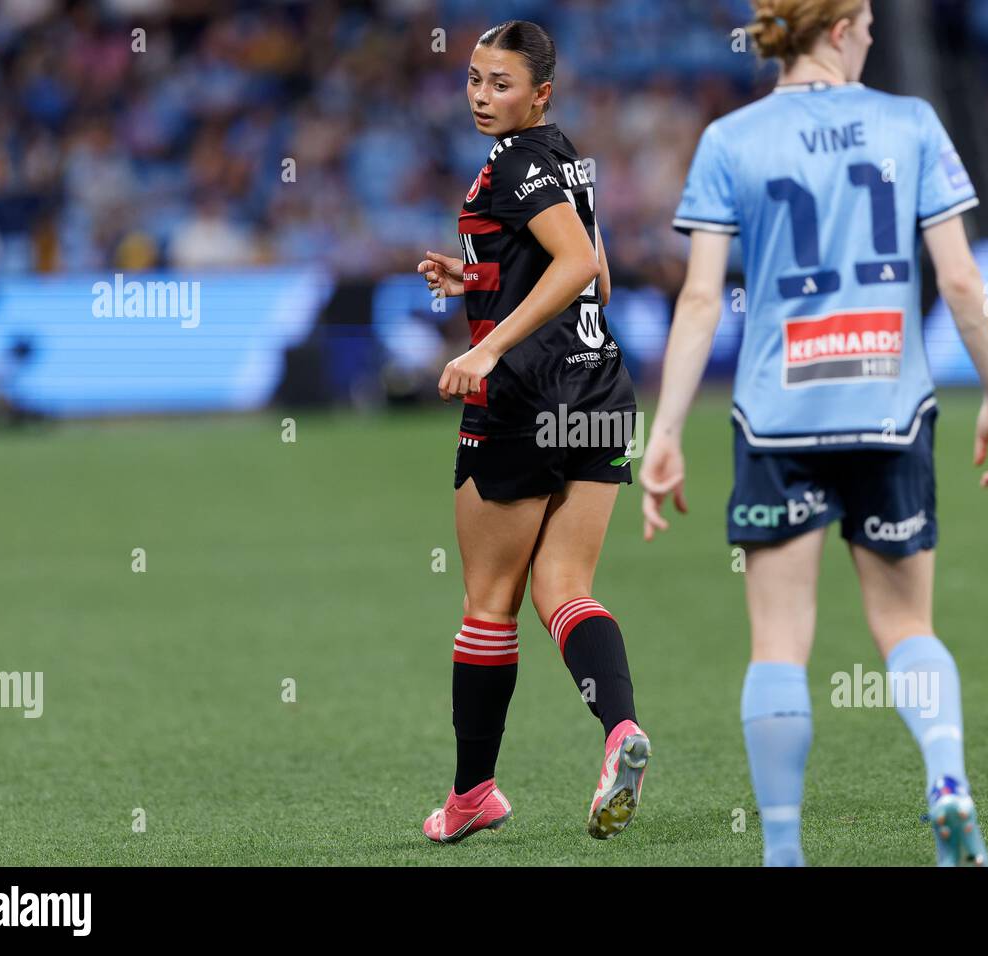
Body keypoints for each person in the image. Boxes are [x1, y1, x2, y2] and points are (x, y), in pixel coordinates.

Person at [640, 0, 988, 866]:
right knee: (905, 624)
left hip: (779, 415)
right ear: (842, 25)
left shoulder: (730, 139)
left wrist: (664, 429)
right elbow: (959, 278)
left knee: (779, 642)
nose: (878, 32)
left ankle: (782, 852)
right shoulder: (911, 123)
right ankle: (948, 781)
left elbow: (701, 299)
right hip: (891, 406)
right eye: (870, 19)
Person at [416, 20, 650, 844]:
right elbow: (599, 274)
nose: (483, 96)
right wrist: (474, 277)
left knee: (487, 606)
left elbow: (579, 266)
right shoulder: (564, 157)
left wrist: (486, 346)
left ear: (539, 93)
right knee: (565, 589)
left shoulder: (514, 162)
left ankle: (473, 792)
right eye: (476, 79)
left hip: (521, 403)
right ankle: (621, 731)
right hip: (601, 393)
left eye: (501, 83)